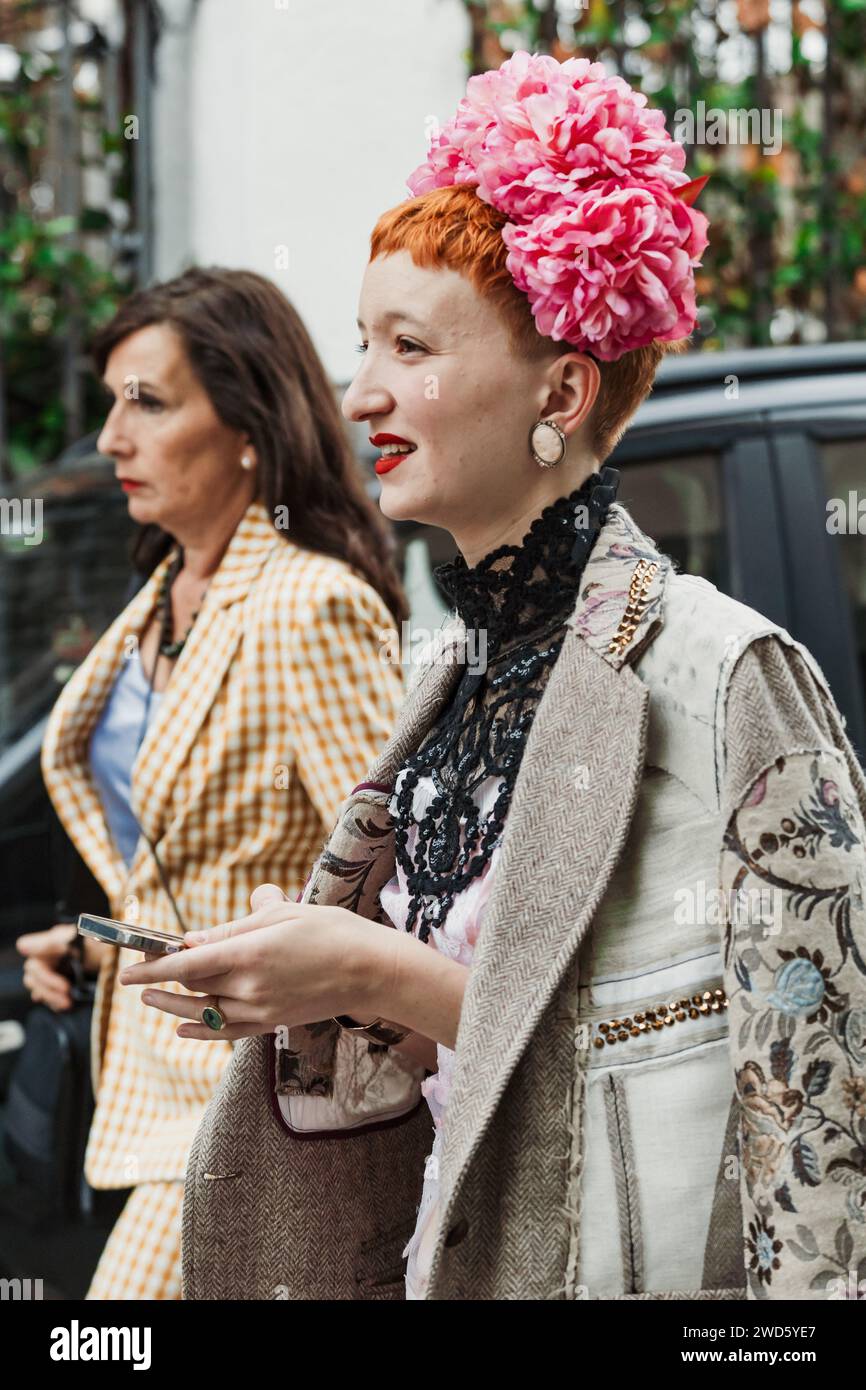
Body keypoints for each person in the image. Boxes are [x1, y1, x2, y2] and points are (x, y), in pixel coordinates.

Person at [123, 54, 866, 1301]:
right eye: (364, 342)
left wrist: (363, 968)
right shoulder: (451, 690)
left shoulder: (721, 674)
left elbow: (819, 1126)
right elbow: (490, 1056)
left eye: (408, 346)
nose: (359, 392)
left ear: (560, 391)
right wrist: (313, 991)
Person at [22, 266, 407, 1299]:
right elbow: (177, 853)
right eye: (111, 402)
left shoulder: (303, 604)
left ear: (247, 424)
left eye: (146, 401)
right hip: (150, 1091)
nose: (111, 437)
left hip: (255, 1101)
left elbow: (389, 885)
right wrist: (98, 938)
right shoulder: (164, 594)